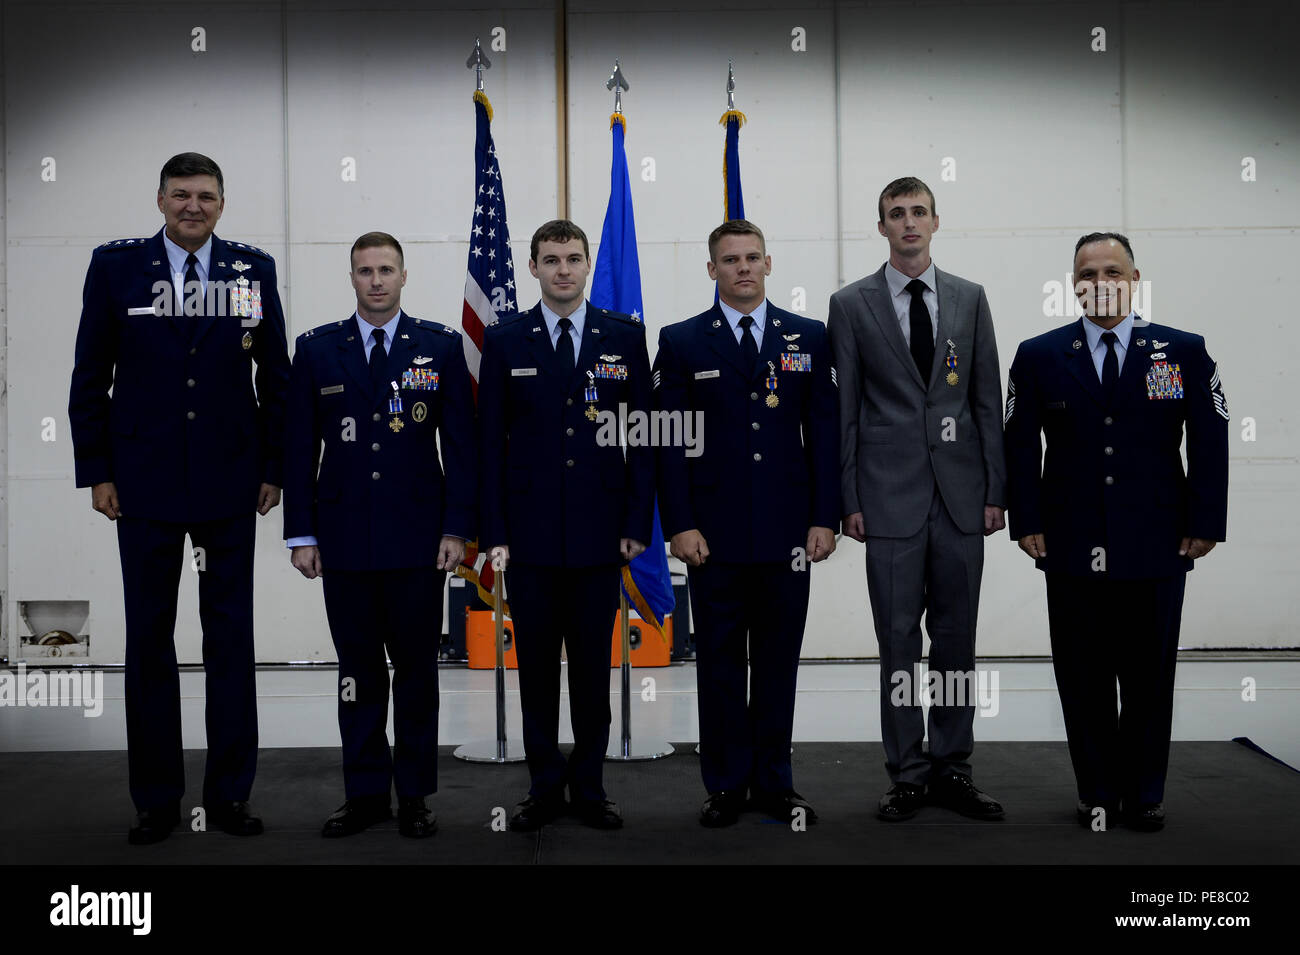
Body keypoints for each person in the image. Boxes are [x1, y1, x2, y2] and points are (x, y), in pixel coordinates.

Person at [68, 152, 289, 844]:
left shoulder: (252, 272)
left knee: (230, 642)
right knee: (150, 644)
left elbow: (275, 377)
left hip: (230, 480)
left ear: (223, 204)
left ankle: (229, 796)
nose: (194, 206)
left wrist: (275, 467)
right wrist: (97, 471)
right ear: (160, 199)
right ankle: (157, 800)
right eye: (182, 195)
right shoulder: (116, 269)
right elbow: (89, 377)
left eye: (207, 197)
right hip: (143, 484)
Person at [1004, 233, 1228, 831]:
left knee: (1150, 677)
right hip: (1071, 544)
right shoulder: (1039, 355)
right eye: (1087, 272)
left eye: (1113, 269)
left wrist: (1205, 522)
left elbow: (1210, 439)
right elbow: (1019, 446)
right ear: (1073, 283)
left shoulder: (1183, 351)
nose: (1100, 280)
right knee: (1083, 676)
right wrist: (1026, 520)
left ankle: (1145, 793)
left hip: (1158, 542)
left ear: (1134, 277)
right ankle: (1097, 792)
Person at [282, 232, 475, 839]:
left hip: (419, 541)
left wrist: (456, 529)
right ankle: (365, 794)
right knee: (357, 672)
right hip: (342, 541)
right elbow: (296, 448)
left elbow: (462, 448)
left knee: (417, 672)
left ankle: (414, 795)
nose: (376, 281)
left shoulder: (438, 347)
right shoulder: (317, 349)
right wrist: (300, 534)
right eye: (365, 271)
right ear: (352, 277)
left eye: (386, 270)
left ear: (404, 275)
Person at [827, 176, 1007, 822]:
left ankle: (953, 766)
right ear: (881, 228)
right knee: (898, 640)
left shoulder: (969, 299)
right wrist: (849, 496)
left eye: (918, 213)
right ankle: (906, 771)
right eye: (895, 214)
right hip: (887, 499)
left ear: (936, 221)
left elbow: (985, 399)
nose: (908, 223)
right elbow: (844, 410)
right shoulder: (850, 305)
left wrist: (995, 489)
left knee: (957, 640)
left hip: (961, 499)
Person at [653, 220, 839, 827]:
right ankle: (727, 785)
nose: (742, 268)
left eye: (752, 258)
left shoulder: (808, 337)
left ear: (768, 263)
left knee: (780, 662)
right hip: (714, 538)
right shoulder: (681, 342)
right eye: (729, 260)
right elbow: (668, 443)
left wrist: (823, 517)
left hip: (789, 535)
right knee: (722, 666)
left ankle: (776, 783)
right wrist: (679, 524)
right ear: (711, 270)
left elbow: (825, 438)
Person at [478, 219, 653, 831]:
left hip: (600, 535)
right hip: (525, 540)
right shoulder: (505, 340)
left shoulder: (624, 338)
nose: (563, 270)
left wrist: (637, 522)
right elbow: (489, 446)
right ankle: (543, 787)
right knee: (536, 674)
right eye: (550, 259)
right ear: (533, 267)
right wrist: (493, 533)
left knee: (590, 673)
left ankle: (591, 787)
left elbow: (643, 439)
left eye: (573, 259)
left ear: (586, 266)